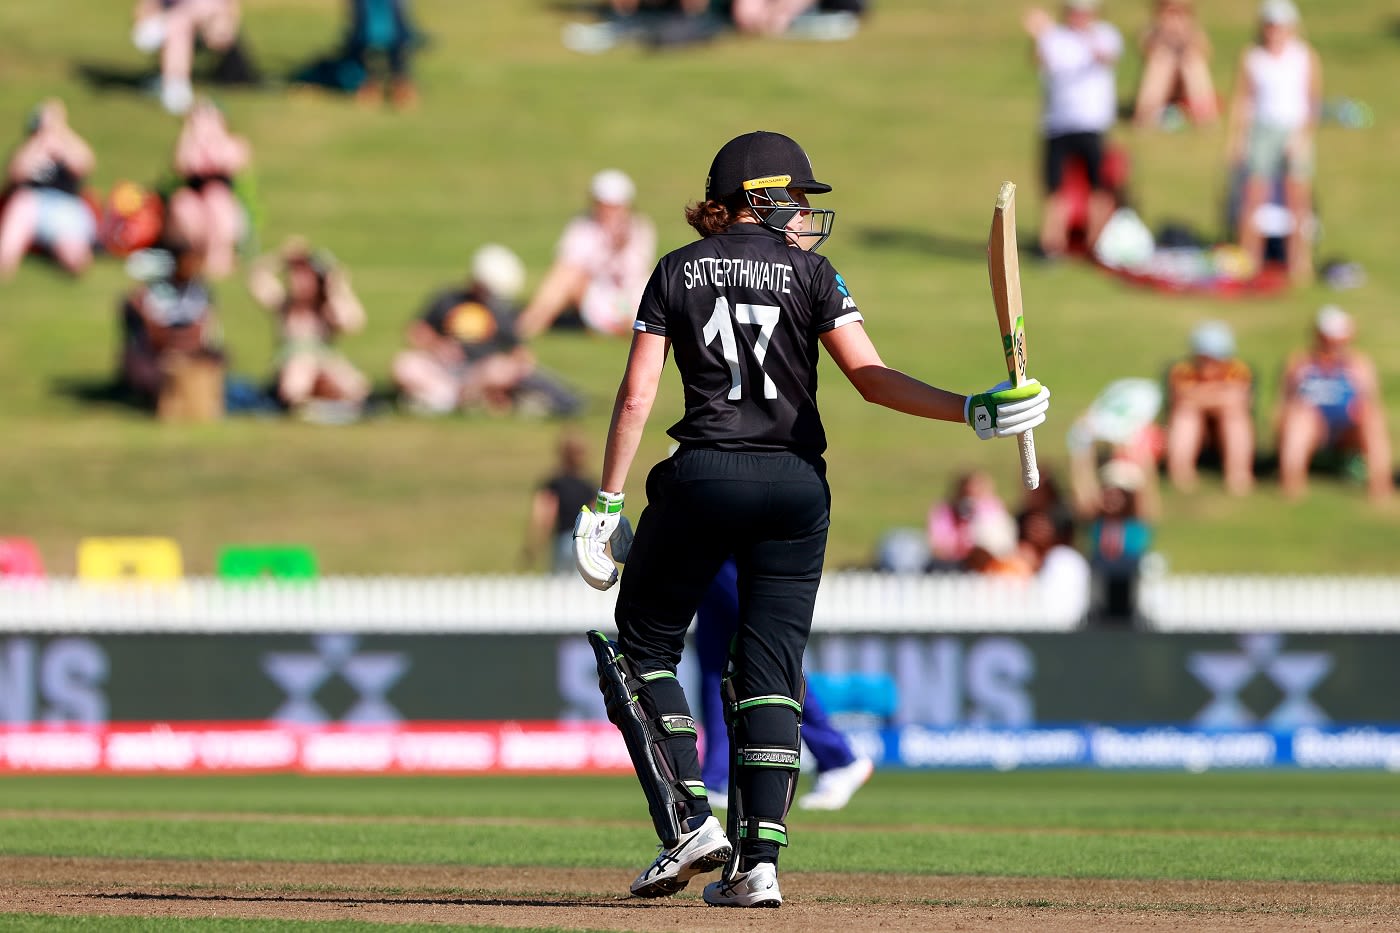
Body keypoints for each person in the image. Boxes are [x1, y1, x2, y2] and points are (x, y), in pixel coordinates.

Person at [570, 131, 1049, 907]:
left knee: (641, 643)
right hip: (797, 486)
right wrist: (973, 409)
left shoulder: (676, 269)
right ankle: (759, 864)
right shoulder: (814, 273)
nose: (804, 212)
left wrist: (608, 500)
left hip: (705, 473)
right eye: (796, 196)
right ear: (759, 197)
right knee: (770, 670)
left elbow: (635, 396)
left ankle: (690, 818)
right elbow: (870, 375)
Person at [693, 558, 874, 811]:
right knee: (716, 662)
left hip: (728, 540)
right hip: (707, 542)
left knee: (768, 651)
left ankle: (837, 756)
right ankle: (716, 774)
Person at [1224, 0, 1322, 284]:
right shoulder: (1253, 56)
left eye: (1279, 26)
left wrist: (1302, 136)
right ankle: (1248, 257)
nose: (1273, 31)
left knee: (1298, 200)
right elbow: (1244, 100)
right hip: (1262, 131)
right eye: (1269, 25)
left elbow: (1312, 100)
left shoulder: (1304, 56)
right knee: (1253, 196)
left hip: (1293, 130)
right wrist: (1238, 139)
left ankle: (1299, 262)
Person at [1023, 0, 1124, 258]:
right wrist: (1039, 36)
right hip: (1058, 123)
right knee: (1055, 187)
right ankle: (1051, 244)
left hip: (1092, 123)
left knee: (1098, 185)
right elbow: (1041, 62)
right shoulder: (1054, 37)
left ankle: (1096, 243)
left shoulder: (1105, 34)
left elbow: (1106, 56)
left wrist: (1084, 35)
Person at [392, 244, 538, 415]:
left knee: (504, 370)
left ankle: (444, 399)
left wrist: (510, 370)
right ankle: (454, 398)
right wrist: (437, 346)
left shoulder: (503, 312)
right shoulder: (449, 299)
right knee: (404, 365)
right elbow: (416, 332)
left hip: (480, 373)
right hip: (443, 369)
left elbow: (520, 354)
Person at [514, 170, 656, 339]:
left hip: (630, 302)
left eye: (613, 206)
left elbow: (634, 274)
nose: (608, 211)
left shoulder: (639, 228)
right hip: (596, 294)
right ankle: (529, 324)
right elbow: (570, 264)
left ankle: (524, 327)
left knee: (568, 275)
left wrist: (617, 249)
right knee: (567, 274)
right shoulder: (583, 226)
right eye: (603, 205)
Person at [1276, 306, 1392, 502]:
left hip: (1348, 431)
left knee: (1372, 418)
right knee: (1299, 416)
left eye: (1339, 338)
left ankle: (1381, 487)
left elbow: (1373, 403)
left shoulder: (1360, 365)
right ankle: (1292, 485)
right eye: (1328, 338)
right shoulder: (1299, 363)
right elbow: (1282, 406)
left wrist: (1362, 407)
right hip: (1312, 429)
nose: (1333, 344)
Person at [247, 238, 370, 415]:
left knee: (351, 383)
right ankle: (303, 405)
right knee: (300, 369)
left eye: (304, 276)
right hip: (294, 365)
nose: (298, 281)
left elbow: (353, 323)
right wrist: (282, 257)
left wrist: (337, 286)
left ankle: (325, 404)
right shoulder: (284, 305)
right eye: (295, 274)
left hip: (324, 361)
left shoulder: (327, 310)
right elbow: (257, 276)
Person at [117, 236, 225, 415]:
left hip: (189, 351)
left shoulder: (200, 291)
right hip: (157, 354)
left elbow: (203, 330)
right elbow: (154, 333)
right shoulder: (155, 291)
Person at [0, 100, 97, 280]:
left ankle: (74, 262)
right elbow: (15, 172)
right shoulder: (28, 150)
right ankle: (5, 265)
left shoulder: (68, 150)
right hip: (32, 205)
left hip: (65, 207)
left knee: (72, 248)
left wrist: (60, 131)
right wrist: (39, 140)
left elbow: (86, 163)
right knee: (22, 203)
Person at [1164, 320, 1254, 495]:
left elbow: (1239, 399)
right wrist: (1218, 396)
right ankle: (1180, 472)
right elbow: (1183, 399)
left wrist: (1202, 396)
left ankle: (1238, 474)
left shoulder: (1237, 369)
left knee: (1234, 417)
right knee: (1186, 416)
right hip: (1194, 423)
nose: (1210, 364)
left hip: (1225, 423)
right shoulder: (1183, 370)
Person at [166, 99, 251, 280]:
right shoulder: (190, 141)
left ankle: (218, 259)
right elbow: (183, 165)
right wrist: (193, 132)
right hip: (195, 202)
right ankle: (194, 259)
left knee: (216, 201)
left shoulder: (233, 142)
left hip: (222, 202)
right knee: (184, 206)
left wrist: (214, 135)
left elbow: (226, 163)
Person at [131, 0, 249, 115]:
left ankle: (173, 85)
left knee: (183, 22)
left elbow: (228, 13)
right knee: (179, 25)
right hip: (162, 26)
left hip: (207, 26)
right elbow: (144, 10)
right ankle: (175, 87)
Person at [1132, 0, 1219, 128]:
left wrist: (1185, 38)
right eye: (1170, 12)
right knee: (1161, 61)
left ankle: (1205, 115)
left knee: (1192, 62)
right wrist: (1165, 36)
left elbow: (1206, 53)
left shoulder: (1194, 32)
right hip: (1163, 87)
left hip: (1184, 89)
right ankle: (1146, 115)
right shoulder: (1152, 32)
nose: (1175, 18)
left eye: (1179, 12)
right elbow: (1146, 52)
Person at [523, 429, 597, 574]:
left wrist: (534, 545)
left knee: (559, 589)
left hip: (562, 541)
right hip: (585, 545)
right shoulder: (590, 486)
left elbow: (544, 515)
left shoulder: (554, 484)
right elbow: (598, 520)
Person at [926, 469, 1014, 570]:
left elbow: (1002, 543)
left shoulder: (994, 510)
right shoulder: (945, 511)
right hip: (952, 564)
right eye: (967, 493)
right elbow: (937, 546)